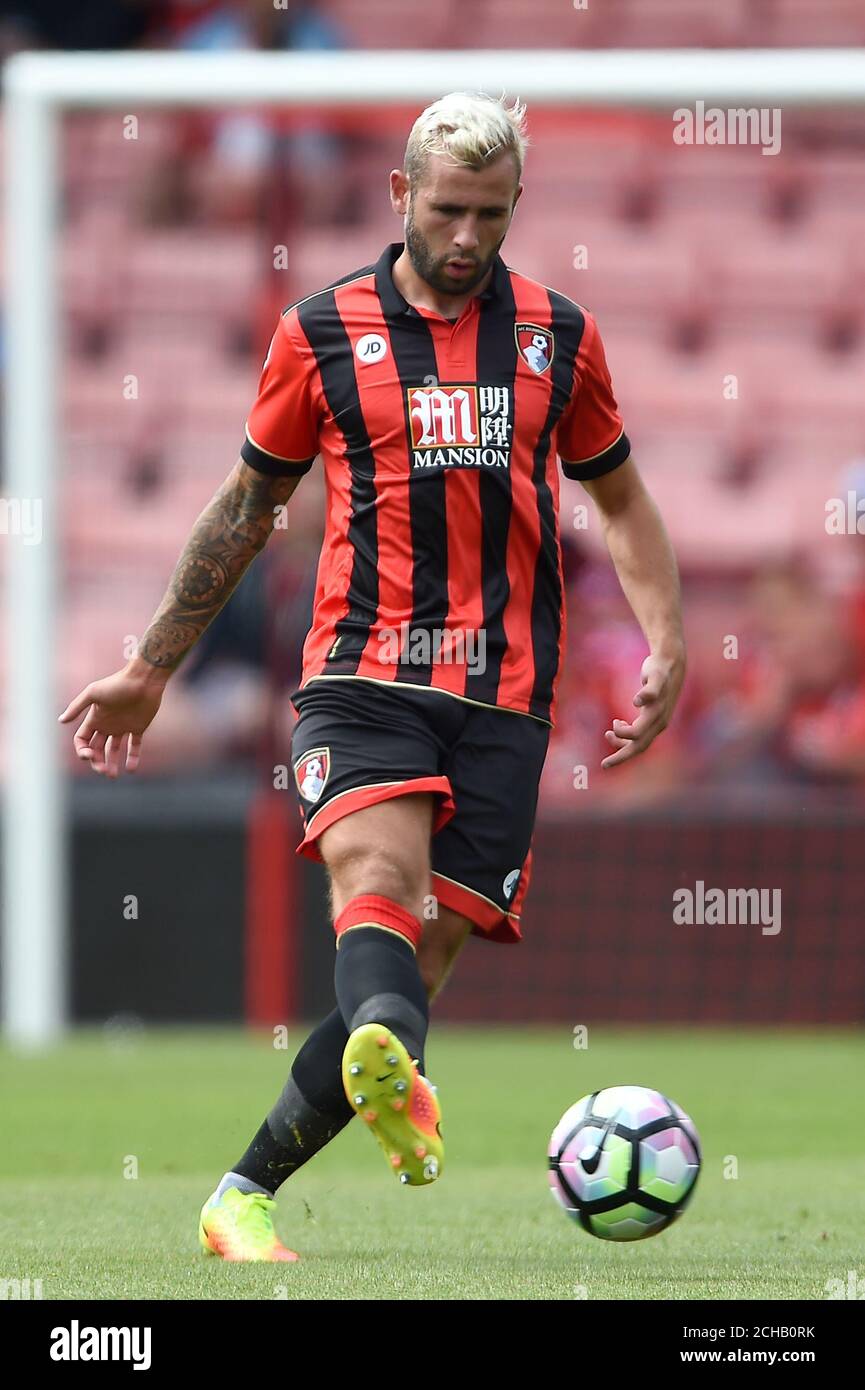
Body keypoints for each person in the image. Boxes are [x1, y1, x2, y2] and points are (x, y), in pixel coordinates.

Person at [59, 91, 686, 1263]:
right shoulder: (319, 331)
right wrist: (152, 665)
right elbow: (247, 507)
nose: (466, 237)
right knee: (377, 883)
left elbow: (620, 499)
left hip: (505, 696)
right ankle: (382, 1075)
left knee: (414, 966)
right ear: (400, 195)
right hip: (362, 676)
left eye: (491, 215)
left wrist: (668, 637)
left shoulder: (559, 335)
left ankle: (242, 1190)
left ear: (514, 209)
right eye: (446, 209)